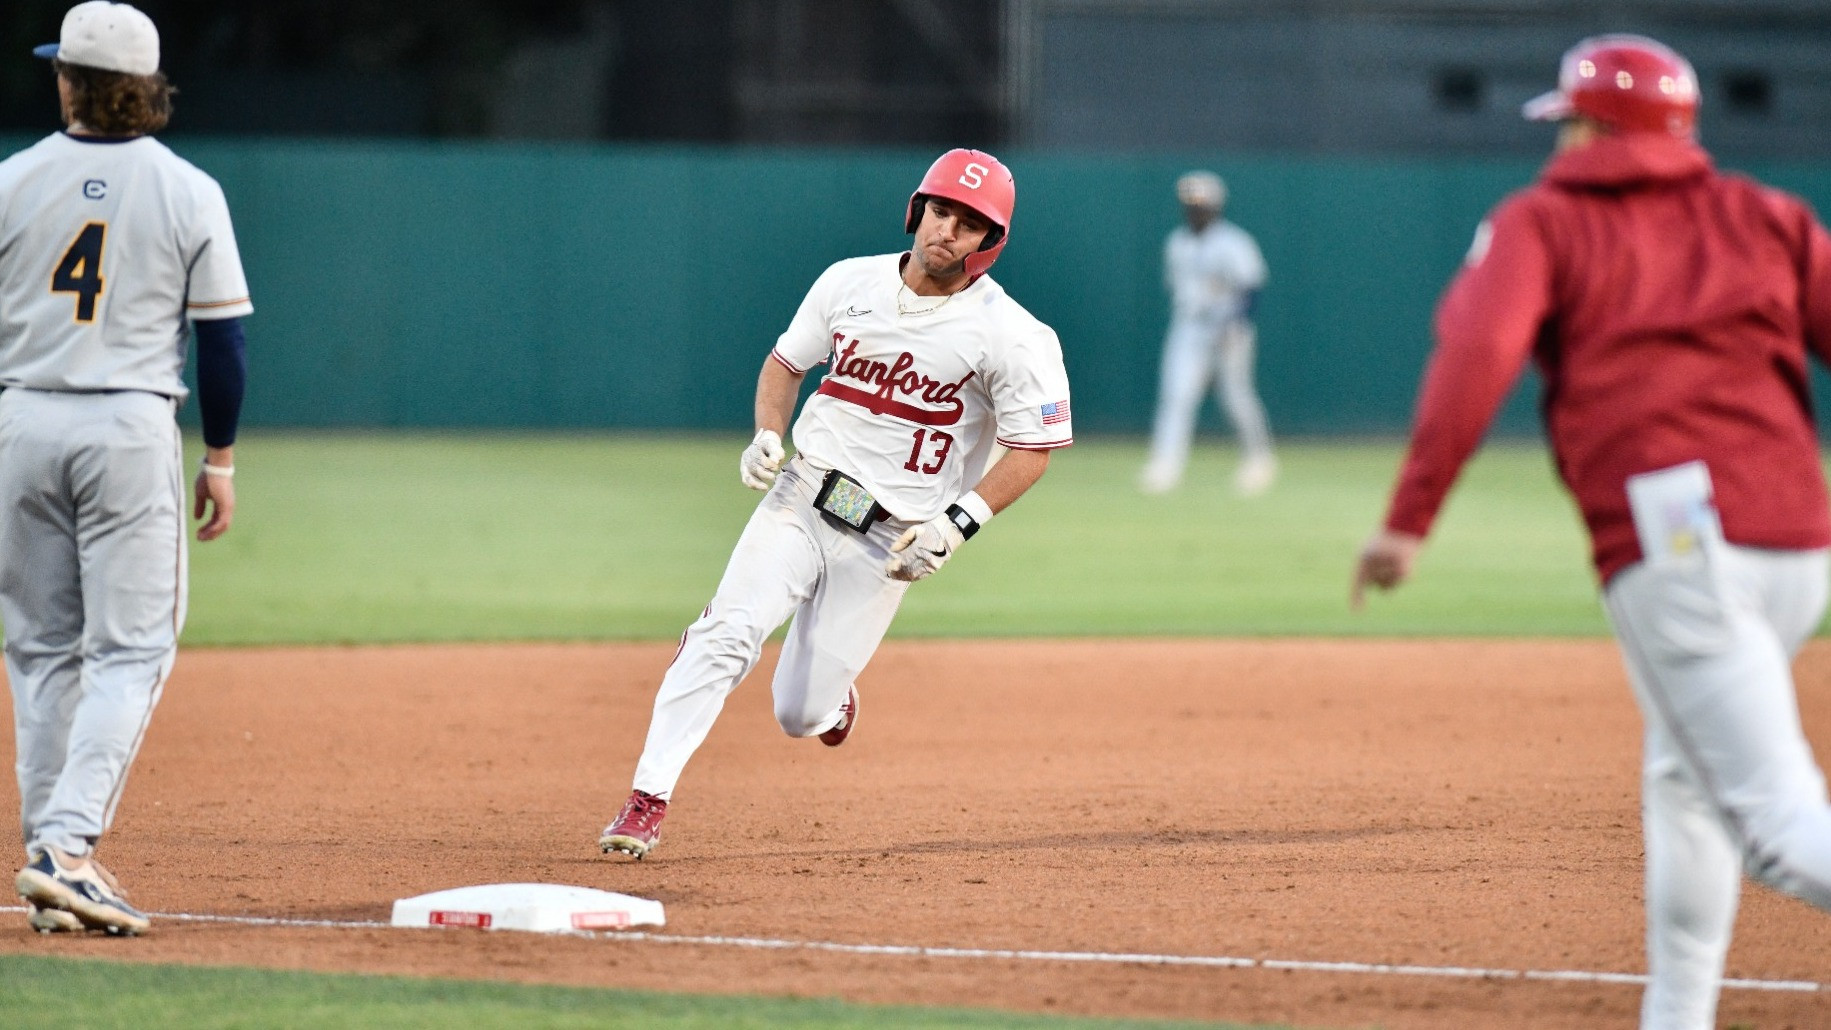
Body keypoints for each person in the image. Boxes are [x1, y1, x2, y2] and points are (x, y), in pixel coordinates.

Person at [1351, 35, 1831, 1030]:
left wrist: (1408, 519)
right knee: (1683, 781)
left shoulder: (1545, 220)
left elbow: (1478, 351)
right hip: (1796, 538)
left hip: (1678, 541)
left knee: (1775, 828)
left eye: (1567, 120)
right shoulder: (1765, 213)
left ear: (1589, 127)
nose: (1558, 138)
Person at [599, 148, 1072, 860]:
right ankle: (647, 800)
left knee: (798, 713)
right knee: (726, 633)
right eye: (940, 210)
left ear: (989, 241)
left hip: (890, 540)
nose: (947, 230)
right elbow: (786, 364)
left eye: (969, 223)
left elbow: (1033, 448)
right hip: (801, 496)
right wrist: (767, 431)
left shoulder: (1014, 334)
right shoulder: (849, 281)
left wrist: (956, 525)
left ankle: (832, 700)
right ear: (917, 210)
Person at [2, 1, 252, 935]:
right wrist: (220, 457)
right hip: (126, 425)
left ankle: (50, 853)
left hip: (21, 419)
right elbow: (222, 343)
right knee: (132, 650)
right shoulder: (188, 189)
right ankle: (66, 851)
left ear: (68, 81)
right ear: (147, 90)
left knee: (39, 650)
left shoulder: (12, 180)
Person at [1139, 170, 1273, 496]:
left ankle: (1259, 460)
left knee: (1235, 397)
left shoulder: (1233, 242)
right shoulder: (1178, 242)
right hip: (1189, 326)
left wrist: (1238, 324)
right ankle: (1165, 465)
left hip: (1227, 327)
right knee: (1176, 394)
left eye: (1201, 205)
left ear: (1216, 206)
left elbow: (1252, 287)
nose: (1195, 210)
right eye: (1190, 205)